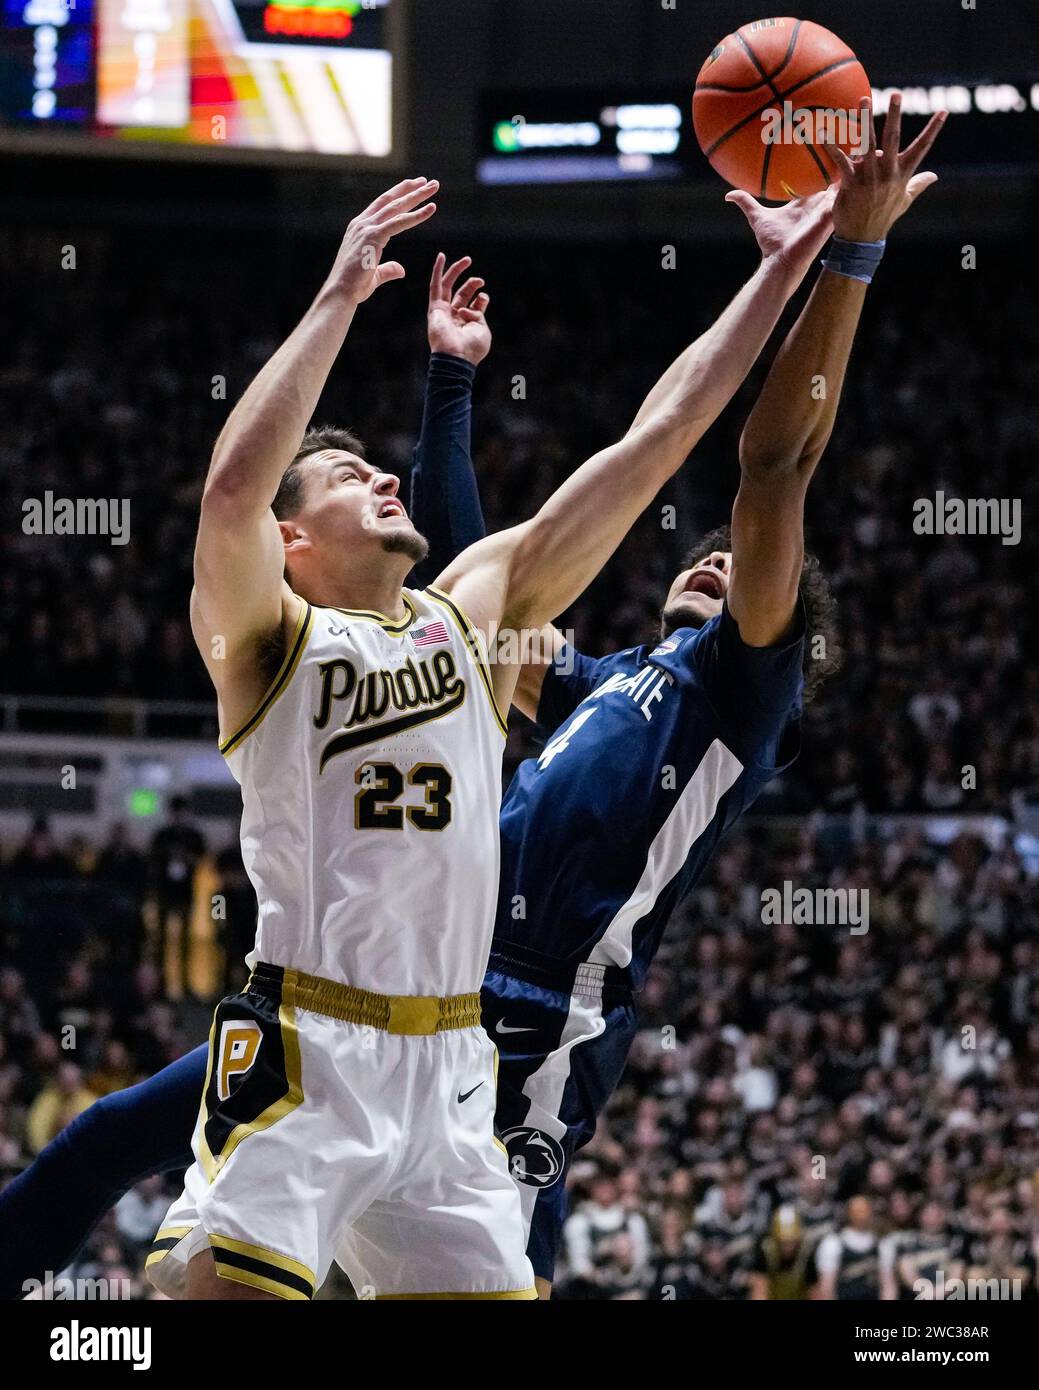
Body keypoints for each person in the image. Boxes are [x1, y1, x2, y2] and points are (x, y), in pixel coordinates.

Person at [0, 98, 945, 1300]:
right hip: (313, 1043)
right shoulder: (271, 639)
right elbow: (233, 494)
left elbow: (663, 437)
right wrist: (344, 297)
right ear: (295, 539)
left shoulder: (485, 618)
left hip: (465, 1065)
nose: (383, 475)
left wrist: (790, 265)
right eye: (349, 476)